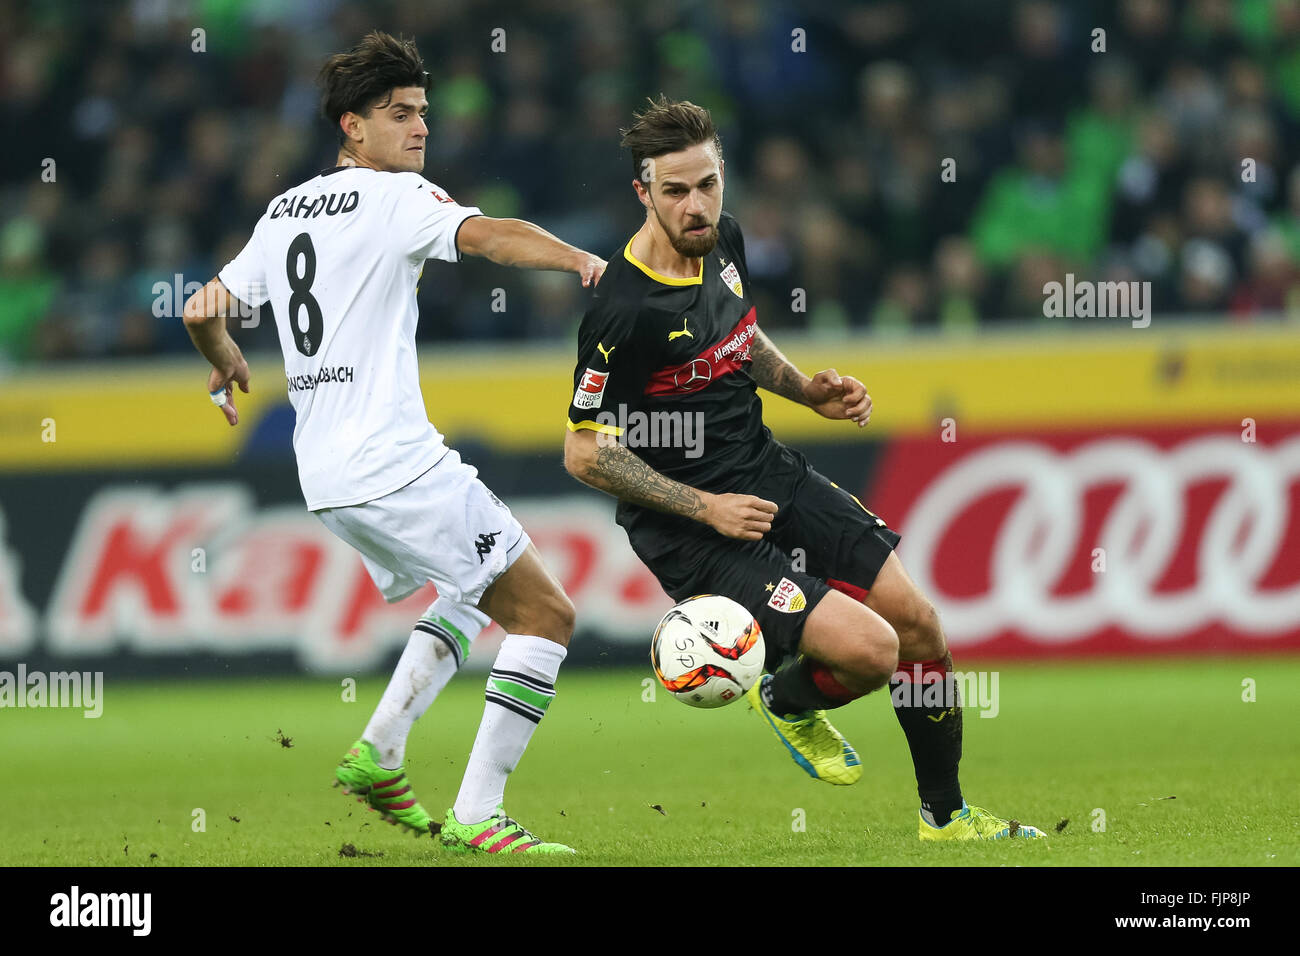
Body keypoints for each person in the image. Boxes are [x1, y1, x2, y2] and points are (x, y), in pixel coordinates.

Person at [562, 96, 1044, 841]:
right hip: (695, 531)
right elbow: (584, 449)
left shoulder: (723, 241)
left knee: (917, 624)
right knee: (873, 652)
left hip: (768, 470)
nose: (697, 206)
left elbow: (741, 341)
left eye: (708, 183)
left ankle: (946, 820)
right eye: (676, 191)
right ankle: (789, 698)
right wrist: (704, 508)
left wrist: (805, 390)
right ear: (643, 193)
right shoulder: (622, 309)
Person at [183, 32, 601, 855]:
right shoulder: (396, 197)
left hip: (328, 475)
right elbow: (489, 236)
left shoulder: (284, 209)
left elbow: (201, 308)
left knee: (468, 590)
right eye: (398, 113)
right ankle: (480, 812)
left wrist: (226, 355)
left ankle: (380, 750)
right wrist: (582, 261)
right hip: (395, 463)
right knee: (547, 615)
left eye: (422, 114)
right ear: (352, 126)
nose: (419, 129)